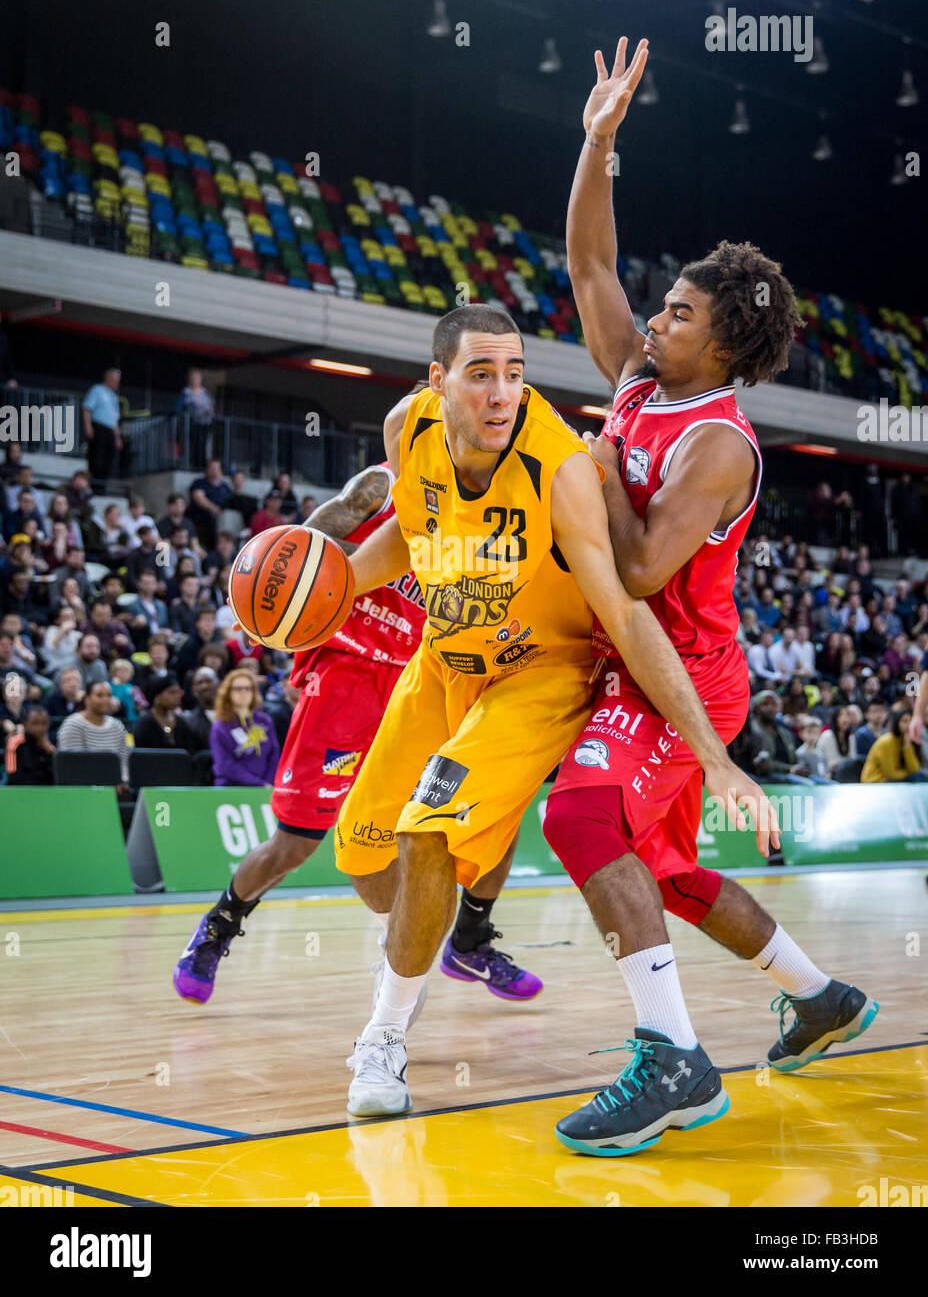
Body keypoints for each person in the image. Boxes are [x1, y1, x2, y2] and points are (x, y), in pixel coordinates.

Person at [315, 299, 774, 1127]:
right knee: (369, 867)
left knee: (429, 831)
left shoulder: (561, 467)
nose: (502, 396)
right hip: (442, 662)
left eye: (516, 375)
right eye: (481, 376)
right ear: (437, 382)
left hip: (538, 672)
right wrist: (327, 584)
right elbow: (414, 540)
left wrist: (713, 753)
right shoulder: (405, 431)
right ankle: (456, 918)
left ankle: (382, 1041)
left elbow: (629, 614)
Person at [542, 37, 873, 1157]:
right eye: (666, 306)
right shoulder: (640, 379)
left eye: (678, 312)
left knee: (582, 817)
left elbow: (636, 571)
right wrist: (597, 144)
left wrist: (586, 475)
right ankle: (821, 996)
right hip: (634, 662)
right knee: (669, 872)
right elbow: (590, 268)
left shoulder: (719, 446)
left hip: (685, 675)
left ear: (724, 338)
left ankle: (674, 1059)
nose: (656, 318)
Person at [175, 464, 544, 1006]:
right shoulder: (388, 483)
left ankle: (468, 937)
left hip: (428, 677)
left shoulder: (504, 513)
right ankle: (218, 926)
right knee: (296, 842)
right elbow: (313, 538)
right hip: (347, 673)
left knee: (493, 814)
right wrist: (279, 604)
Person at [209, 670, 279, 787]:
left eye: (248, 688)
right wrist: (258, 784)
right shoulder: (220, 726)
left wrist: (269, 783)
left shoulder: (265, 721)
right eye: (238, 689)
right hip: (231, 789)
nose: (244, 692)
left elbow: (274, 755)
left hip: (265, 788)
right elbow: (225, 764)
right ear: (228, 693)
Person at [57, 680, 131, 791]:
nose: (105, 700)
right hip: (83, 791)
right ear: (87, 699)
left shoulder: (118, 726)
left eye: (109, 695)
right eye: (99, 695)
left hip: (115, 788)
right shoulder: (73, 724)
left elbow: (125, 759)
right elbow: (73, 765)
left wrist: (122, 781)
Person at [134, 672, 198, 752]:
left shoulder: (181, 722)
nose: (177, 697)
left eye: (178, 693)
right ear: (157, 697)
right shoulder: (145, 722)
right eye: (172, 693)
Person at [861, 708, 928, 784]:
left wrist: (907, 746)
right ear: (897, 723)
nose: (908, 725)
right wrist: (908, 773)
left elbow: (915, 769)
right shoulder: (887, 741)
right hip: (875, 781)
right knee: (918, 777)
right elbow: (891, 773)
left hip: (893, 780)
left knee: (919, 776)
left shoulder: (907, 740)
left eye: (911, 721)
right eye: (905, 721)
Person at [81, 367, 122, 487]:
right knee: (96, 458)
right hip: (98, 427)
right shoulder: (97, 390)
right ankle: (94, 484)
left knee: (108, 460)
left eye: (118, 381)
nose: (116, 383)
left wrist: (117, 437)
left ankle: (102, 486)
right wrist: (88, 426)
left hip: (110, 431)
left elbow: (115, 419)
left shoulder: (114, 397)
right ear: (107, 378)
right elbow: (87, 409)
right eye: (114, 380)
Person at [5, 705, 55, 785]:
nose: (40, 728)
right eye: (35, 723)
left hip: (45, 793)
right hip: (19, 793)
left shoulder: (50, 745)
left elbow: (57, 776)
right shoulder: (15, 743)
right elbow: (13, 776)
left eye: (44, 723)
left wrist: (49, 752)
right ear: (25, 724)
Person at [189, 459, 232, 549]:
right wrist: (213, 508)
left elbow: (231, 500)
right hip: (202, 514)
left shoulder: (224, 486)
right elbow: (199, 498)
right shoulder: (200, 483)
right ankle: (212, 547)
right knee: (210, 516)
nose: (214, 471)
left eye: (217, 468)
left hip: (221, 515)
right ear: (207, 469)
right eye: (212, 468)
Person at [176, 369, 215, 468]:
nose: (195, 380)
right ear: (189, 379)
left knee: (202, 444)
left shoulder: (205, 392)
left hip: (204, 423)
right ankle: (191, 464)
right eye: (193, 378)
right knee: (192, 444)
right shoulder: (186, 392)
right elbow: (179, 408)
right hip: (192, 422)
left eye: (197, 378)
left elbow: (211, 405)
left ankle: (201, 465)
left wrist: (209, 410)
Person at [816, 705, 859, 778]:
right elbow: (830, 765)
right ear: (835, 718)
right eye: (841, 715)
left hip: (847, 775)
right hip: (829, 776)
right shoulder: (827, 736)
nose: (845, 719)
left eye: (847, 715)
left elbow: (853, 760)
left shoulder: (851, 738)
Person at [42, 666, 84, 737]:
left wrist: (83, 700)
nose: (73, 684)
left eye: (76, 680)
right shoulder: (51, 700)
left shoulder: (87, 700)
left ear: (81, 684)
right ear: (61, 684)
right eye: (68, 680)